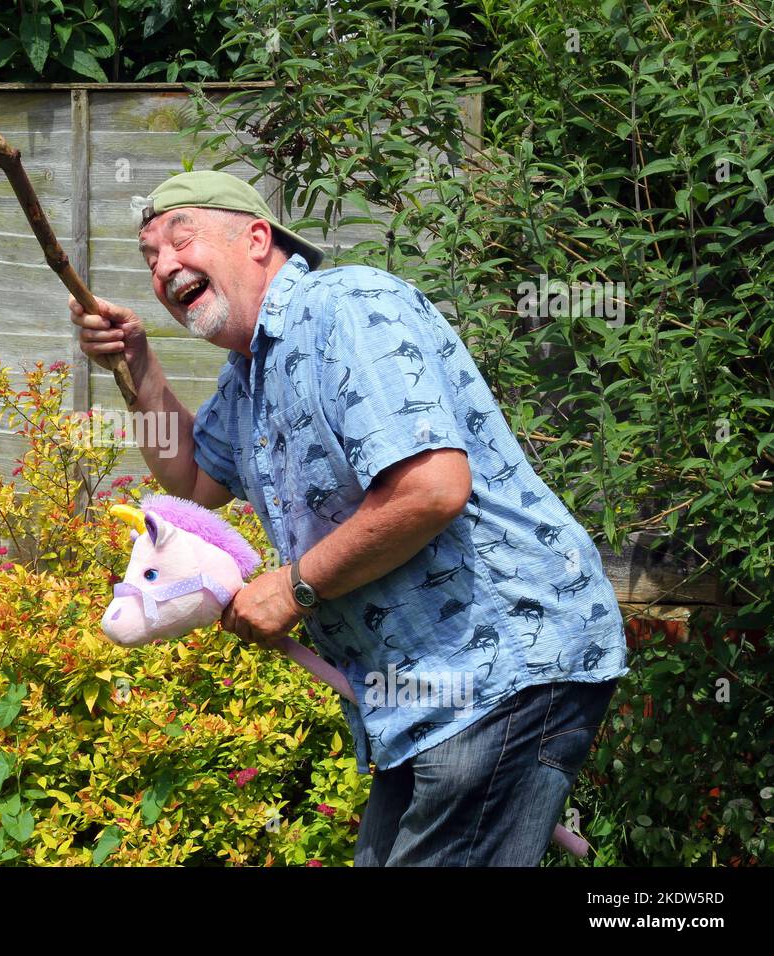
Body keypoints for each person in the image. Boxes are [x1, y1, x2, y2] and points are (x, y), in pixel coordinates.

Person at [70, 169, 628, 866]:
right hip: (419, 695)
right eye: (151, 258)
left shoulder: (346, 308)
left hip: (501, 661)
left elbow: (431, 489)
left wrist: (291, 586)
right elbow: (190, 481)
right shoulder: (248, 377)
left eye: (180, 239)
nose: (164, 266)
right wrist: (140, 367)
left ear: (255, 238)